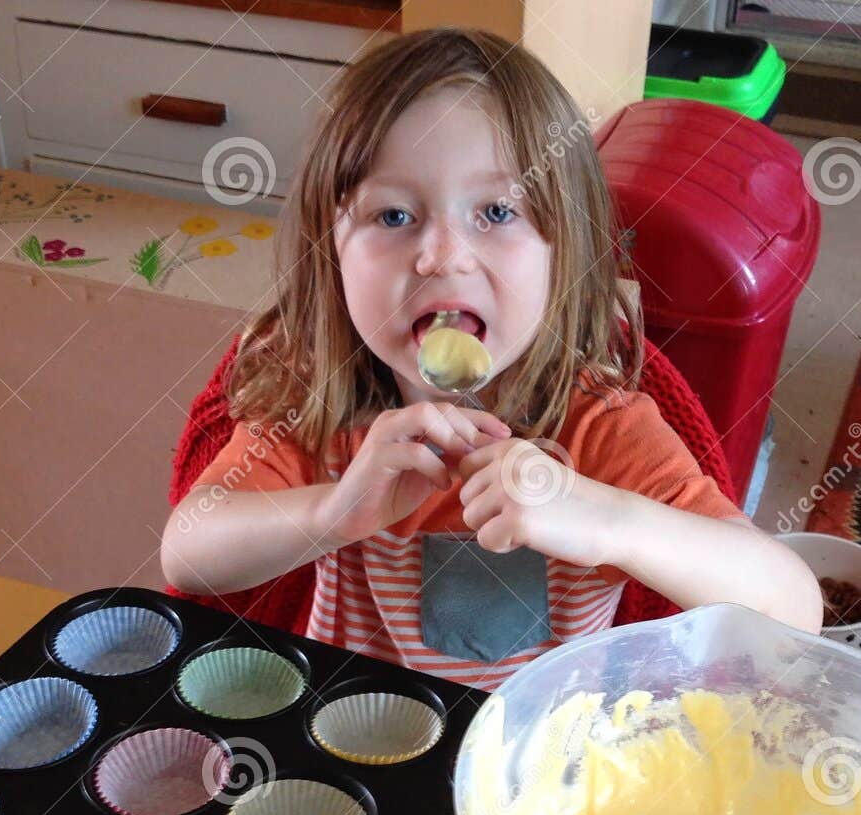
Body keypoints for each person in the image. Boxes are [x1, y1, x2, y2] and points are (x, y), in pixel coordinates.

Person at [162, 27, 821, 689]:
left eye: (498, 211)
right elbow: (187, 555)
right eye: (393, 216)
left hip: (545, 749)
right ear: (331, 252)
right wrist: (330, 512)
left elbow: (794, 608)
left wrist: (611, 519)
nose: (443, 256)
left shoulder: (600, 430)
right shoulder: (320, 401)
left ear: (564, 249)